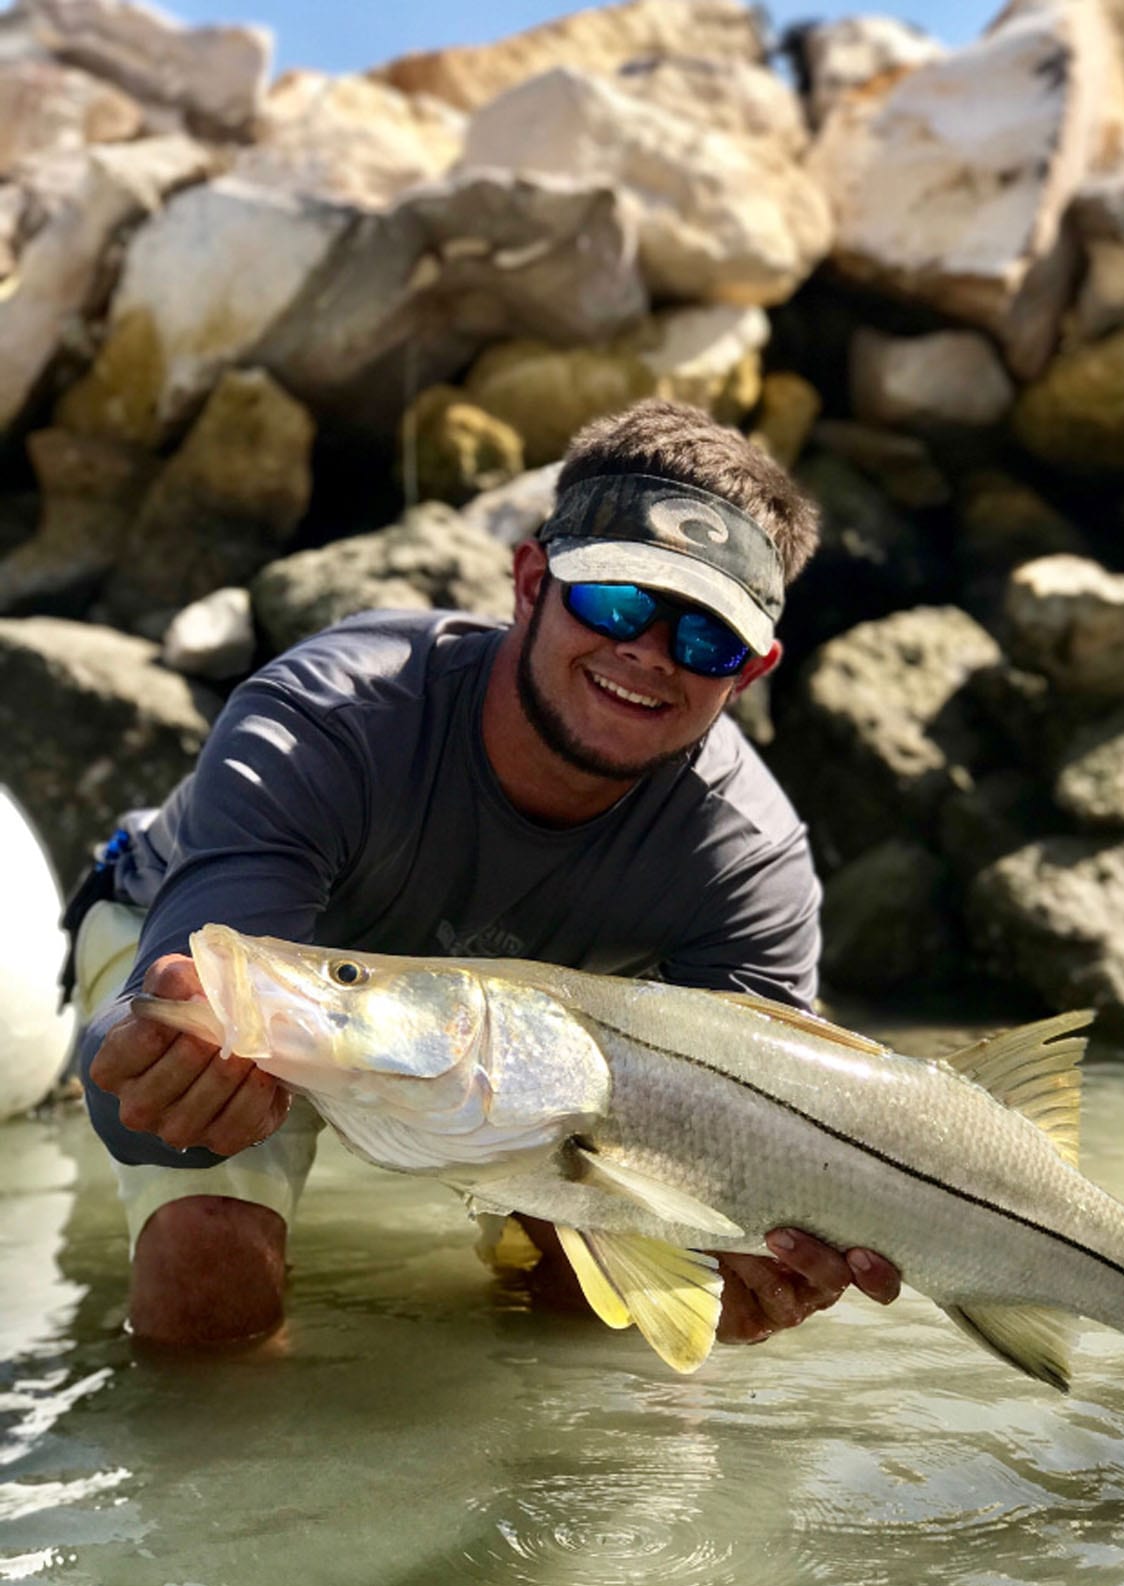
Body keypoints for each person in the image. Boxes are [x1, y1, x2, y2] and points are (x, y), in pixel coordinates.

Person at [77, 398, 901, 1348]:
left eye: (706, 638)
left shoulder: (749, 861)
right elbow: (151, 1048)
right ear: (530, 581)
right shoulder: (324, 720)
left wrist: (752, 1264)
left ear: (749, 673)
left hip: (524, 1056)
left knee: (610, 1320)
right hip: (254, 962)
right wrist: (143, 1070)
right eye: (616, 602)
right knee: (207, 1272)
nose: (647, 654)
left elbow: (753, 1158)